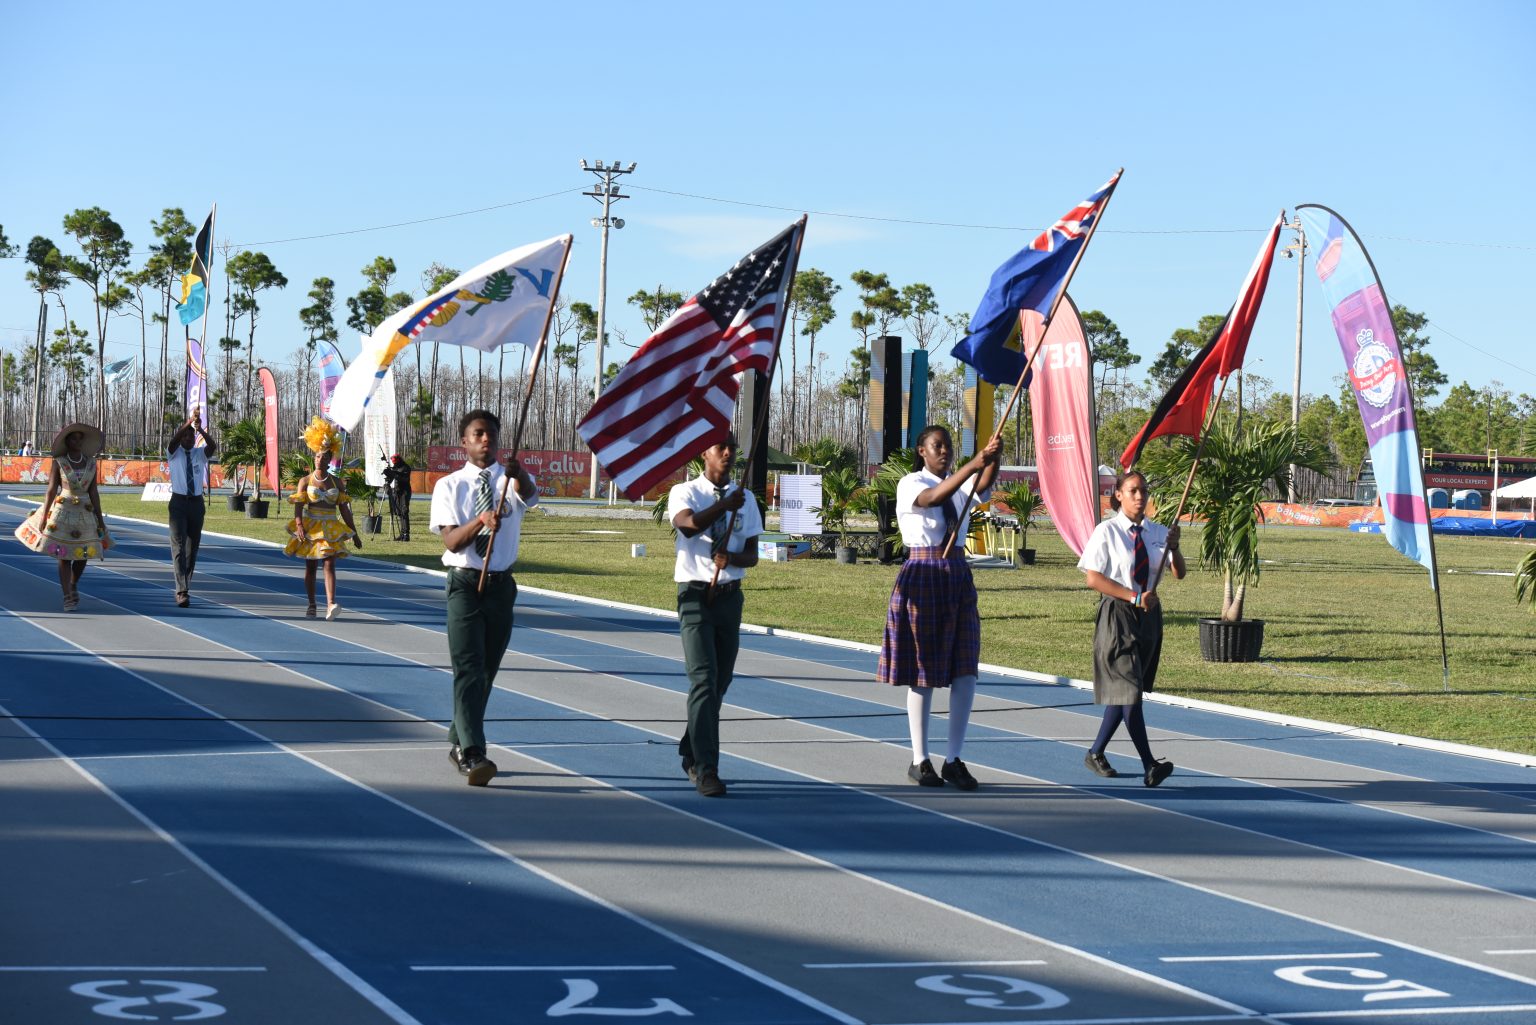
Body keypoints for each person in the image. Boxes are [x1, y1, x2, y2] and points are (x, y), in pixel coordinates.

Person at [878, 426, 1001, 790]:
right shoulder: (911, 482)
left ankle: (954, 759)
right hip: (924, 570)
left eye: (948, 446)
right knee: (924, 670)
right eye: (938, 445)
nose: (944, 451)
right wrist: (974, 463)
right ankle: (920, 759)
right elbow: (932, 498)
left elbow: (980, 486)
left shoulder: (960, 483)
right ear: (922, 450)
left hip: (957, 574)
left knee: (965, 668)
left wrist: (994, 455)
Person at [430, 410, 538, 787]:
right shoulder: (449, 485)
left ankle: (459, 736)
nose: (486, 440)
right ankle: (473, 753)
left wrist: (518, 473)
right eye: (478, 434)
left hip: (500, 586)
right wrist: (480, 521)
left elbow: (531, 497)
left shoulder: (511, 482)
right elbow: (451, 541)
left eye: (491, 434)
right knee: (469, 668)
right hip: (464, 584)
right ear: (464, 441)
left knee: (488, 671)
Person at [1077, 469, 1186, 787]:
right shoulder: (1106, 532)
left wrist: (1176, 547)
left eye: (1144, 491)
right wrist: (1133, 595)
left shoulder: (1158, 532)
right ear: (1119, 496)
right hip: (1119, 615)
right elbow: (1093, 578)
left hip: (1149, 616)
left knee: (1126, 689)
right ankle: (1149, 764)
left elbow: (1178, 573)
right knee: (1130, 692)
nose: (1140, 496)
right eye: (1133, 491)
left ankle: (1096, 752)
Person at [667, 434, 762, 798]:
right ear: (704, 453)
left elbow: (752, 553)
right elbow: (687, 525)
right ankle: (705, 768)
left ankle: (691, 744)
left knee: (720, 682)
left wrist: (732, 559)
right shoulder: (686, 491)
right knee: (704, 679)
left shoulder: (746, 499)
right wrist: (724, 507)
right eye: (720, 447)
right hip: (694, 595)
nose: (727, 453)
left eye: (732, 448)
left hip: (729, 596)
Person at [14, 423, 113, 610]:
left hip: (85, 511)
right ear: (67, 441)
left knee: (85, 552)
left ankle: (73, 583)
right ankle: (67, 594)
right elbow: (51, 490)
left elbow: (94, 492)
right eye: (73, 438)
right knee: (64, 555)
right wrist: (43, 517)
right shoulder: (58, 461)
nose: (77, 441)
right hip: (63, 510)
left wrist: (100, 520)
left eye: (79, 438)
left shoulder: (91, 463)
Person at [284, 416, 363, 619]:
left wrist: (353, 533)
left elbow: (344, 509)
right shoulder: (305, 481)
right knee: (311, 566)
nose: (321, 459)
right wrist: (299, 524)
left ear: (330, 460)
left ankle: (330, 603)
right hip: (311, 526)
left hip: (330, 526)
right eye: (318, 456)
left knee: (329, 562)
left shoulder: (337, 483)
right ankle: (312, 604)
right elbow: (299, 505)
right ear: (314, 457)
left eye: (325, 457)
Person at [166, 410, 216, 609]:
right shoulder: (173, 453)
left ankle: (185, 583)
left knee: (191, 549)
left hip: (196, 503)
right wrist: (188, 422)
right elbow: (173, 441)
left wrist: (200, 429)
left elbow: (212, 446)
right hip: (178, 503)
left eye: (190, 436)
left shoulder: (199, 454)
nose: (187, 438)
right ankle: (181, 591)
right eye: (184, 435)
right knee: (178, 546)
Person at [383, 453, 413, 540]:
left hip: (405, 492)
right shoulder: (395, 467)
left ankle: (406, 534)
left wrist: (394, 474)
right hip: (397, 491)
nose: (395, 464)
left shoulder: (406, 467)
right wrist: (388, 477)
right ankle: (402, 534)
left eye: (396, 462)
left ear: (399, 460)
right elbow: (392, 478)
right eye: (393, 463)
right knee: (399, 513)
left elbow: (405, 479)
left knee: (404, 511)